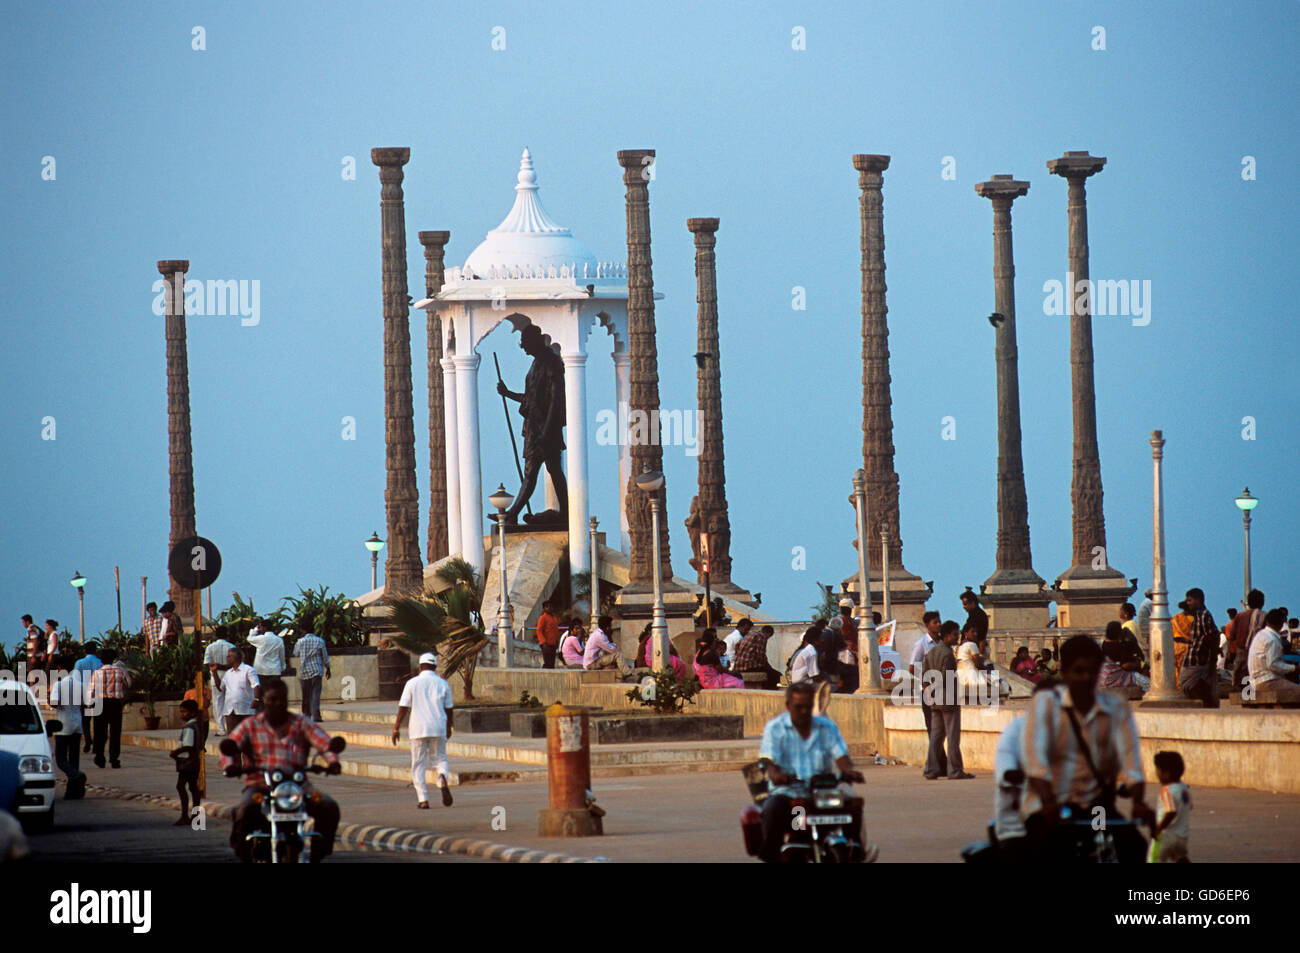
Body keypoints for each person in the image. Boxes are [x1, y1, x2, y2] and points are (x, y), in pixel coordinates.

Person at [1021, 635, 1153, 863]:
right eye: (1078, 671)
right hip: (1052, 807)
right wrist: (1048, 801)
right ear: (1064, 673)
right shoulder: (1046, 704)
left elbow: (1132, 760)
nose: (1086, 678)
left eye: (1092, 671)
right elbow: (1035, 762)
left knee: (1132, 849)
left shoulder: (1115, 707)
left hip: (1096, 809)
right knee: (1039, 852)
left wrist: (1139, 801)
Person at [756, 681, 877, 864]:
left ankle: (856, 849)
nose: (804, 711)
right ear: (789, 706)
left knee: (853, 804)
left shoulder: (826, 727)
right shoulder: (775, 728)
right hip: (791, 794)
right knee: (774, 810)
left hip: (823, 791)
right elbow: (769, 759)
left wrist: (848, 771)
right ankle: (773, 855)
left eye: (808, 707)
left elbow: (840, 754)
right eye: (799, 707)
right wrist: (776, 774)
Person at [221, 679, 341, 863]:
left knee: (329, 806)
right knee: (243, 810)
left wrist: (333, 762)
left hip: (298, 786)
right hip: (260, 785)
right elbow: (231, 746)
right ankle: (243, 850)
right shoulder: (251, 725)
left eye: (282, 700)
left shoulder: (301, 723)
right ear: (264, 701)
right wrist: (229, 765)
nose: (277, 704)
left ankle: (320, 851)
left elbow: (324, 743)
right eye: (272, 699)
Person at [495, 325, 567, 523]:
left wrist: (547, 432)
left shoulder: (552, 363)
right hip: (535, 428)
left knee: (533, 472)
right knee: (551, 470)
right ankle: (564, 514)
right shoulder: (536, 364)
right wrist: (508, 393)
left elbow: (556, 400)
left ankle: (512, 515)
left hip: (544, 430)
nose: (522, 348)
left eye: (525, 343)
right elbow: (531, 399)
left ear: (536, 341)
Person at [393, 653, 455, 808]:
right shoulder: (442, 683)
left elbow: (403, 707)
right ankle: (442, 778)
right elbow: (449, 709)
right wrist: (449, 726)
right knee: (440, 759)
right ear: (434, 667)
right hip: (439, 725)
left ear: (420, 667)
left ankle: (423, 799)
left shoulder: (412, 683)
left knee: (418, 763)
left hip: (418, 728)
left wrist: (396, 728)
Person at [923, 621, 971, 779]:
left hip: (934, 700)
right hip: (948, 699)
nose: (957, 637)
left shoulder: (932, 652)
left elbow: (924, 677)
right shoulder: (948, 654)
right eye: (955, 634)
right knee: (952, 736)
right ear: (948, 635)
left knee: (936, 738)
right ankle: (955, 770)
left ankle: (931, 769)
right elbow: (946, 678)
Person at [49, 654, 87, 800]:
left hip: (63, 725)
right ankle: (74, 791)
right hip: (77, 722)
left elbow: (54, 702)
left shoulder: (59, 685)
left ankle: (77, 776)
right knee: (74, 759)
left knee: (60, 760)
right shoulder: (80, 684)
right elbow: (86, 703)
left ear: (60, 668)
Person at [909, 612, 944, 769]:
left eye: (939, 622)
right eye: (935, 622)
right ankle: (933, 764)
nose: (938, 625)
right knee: (933, 728)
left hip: (942, 690)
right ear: (927, 625)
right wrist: (925, 684)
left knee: (940, 729)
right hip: (928, 691)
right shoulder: (922, 644)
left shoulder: (941, 643)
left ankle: (938, 763)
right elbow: (913, 667)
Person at [87, 648, 130, 768]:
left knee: (100, 732)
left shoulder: (97, 673)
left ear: (101, 660)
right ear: (113, 659)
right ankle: (114, 758)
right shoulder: (120, 671)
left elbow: (91, 690)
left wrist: (89, 703)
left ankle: (100, 757)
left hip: (100, 703)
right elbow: (129, 683)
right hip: (115, 703)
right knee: (115, 732)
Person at [1246, 608, 1300, 701]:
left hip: (1256, 680)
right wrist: (1294, 668)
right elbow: (1273, 665)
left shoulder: (1261, 635)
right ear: (1281, 623)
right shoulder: (1272, 640)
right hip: (1267, 681)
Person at [1178, 588, 1220, 708]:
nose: (1188, 603)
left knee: (1186, 684)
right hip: (1194, 657)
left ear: (1198, 600)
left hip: (1198, 658)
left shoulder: (1203, 615)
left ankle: (1206, 702)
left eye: (1190, 600)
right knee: (1190, 684)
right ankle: (1206, 703)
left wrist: (1212, 659)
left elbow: (1212, 636)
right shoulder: (1197, 615)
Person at [169, 698, 207, 825]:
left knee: (181, 786)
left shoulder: (190, 727)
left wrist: (175, 753)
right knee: (192, 788)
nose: (182, 715)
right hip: (192, 762)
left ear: (192, 713)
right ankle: (194, 815)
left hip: (188, 763)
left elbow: (188, 746)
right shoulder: (195, 725)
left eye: (184, 712)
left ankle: (185, 815)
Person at [1149, 750, 1191, 863]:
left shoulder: (1167, 791)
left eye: (1158, 770)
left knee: (1154, 859)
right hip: (1182, 836)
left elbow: (1171, 811)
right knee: (1181, 858)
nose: (1156, 774)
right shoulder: (1185, 789)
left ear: (1166, 773)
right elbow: (1189, 806)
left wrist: (1158, 828)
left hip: (1166, 835)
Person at [1227, 589, 1266, 690]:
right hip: (1258, 652)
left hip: (1241, 652)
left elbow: (1231, 637)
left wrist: (1230, 654)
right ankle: (1250, 699)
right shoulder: (1264, 616)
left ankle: (1245, 698)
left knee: (1243, 679)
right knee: (1255, 679)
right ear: (1262, 602)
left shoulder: (1240, 616)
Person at [292, 625, 330, 722]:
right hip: (317, 670)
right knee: (316, 694)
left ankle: (306, 715)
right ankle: (316, 716)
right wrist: (328, 668)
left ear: (303, 630)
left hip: (304, 671)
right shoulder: (320, 641)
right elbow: (325, 656)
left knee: (306, 695)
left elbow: (295, 653)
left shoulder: (300, 641)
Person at [204, 626, 236, 734]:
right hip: (230, 676)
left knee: (218, 703)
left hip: (215, 676)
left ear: (215, 635)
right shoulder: (232, 647)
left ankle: (221, 728)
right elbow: (235, 663)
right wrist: (223, 666)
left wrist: (217, 667)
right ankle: (231, 727)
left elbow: (208, 663)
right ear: (226, 634)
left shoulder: (210, 647)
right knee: (230, 701)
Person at [220, 647, 261, 732]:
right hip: (230, 709)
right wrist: (214, 672)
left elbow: (256, 685)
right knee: (232, 736)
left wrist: (256, 699)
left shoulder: (248, 670)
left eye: (229, 656)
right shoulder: (228, 673)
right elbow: (220, 688)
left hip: (245, 708)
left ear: (236, 657)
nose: (227, 659)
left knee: (247, 736)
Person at [1100, 623, 1150, 691]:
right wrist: (1137, 665)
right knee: (1149, 684)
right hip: (1116, 677)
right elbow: (1125, 665)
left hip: (1104, 677)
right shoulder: (1119, 646)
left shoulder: (1103, 644)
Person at [74, 643, 102, 754]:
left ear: (85, 650)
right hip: (98, 694)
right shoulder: (100, 662)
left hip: (84, 695)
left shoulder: (79, 663)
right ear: (95, 650)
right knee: (97, 721)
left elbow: (76, 680)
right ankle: (96, 744)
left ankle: (88, 740)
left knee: (85, 721)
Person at [734, 624, 781, 690]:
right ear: (769, 633)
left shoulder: (750, 634)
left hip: (738, 666)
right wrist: (769, 667)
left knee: (769, 672)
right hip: (749, 667)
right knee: (776, 675)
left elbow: (736, 646)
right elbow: (760, 655)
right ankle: (767, 693)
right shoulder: (762, 636)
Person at [955, 623, 986, 704]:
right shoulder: (972, 645)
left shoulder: (961, 646)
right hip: (971, 675)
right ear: (966, 633)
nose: (975, 634)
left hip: (961, 675)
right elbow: (977, 664)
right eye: (972, 632)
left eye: (976, 632)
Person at [1170, 601, 1193, 687]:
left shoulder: (1175, 618)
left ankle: (1179, 687)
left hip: (1176, 647)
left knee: (1178, 671)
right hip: (1190, 648)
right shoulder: (1193, 619)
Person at [1117, 603, 1146, 670]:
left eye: (1121, 610)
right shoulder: (1131, 624)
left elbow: (1131, 643)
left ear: (1125, 613)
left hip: (1133, 659)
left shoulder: (1129, 625)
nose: (1119, 612)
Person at [535, 600, 561, 669]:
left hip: (553, 644)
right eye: (547, 607)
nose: (549, 608)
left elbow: (556, 630)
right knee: (547, 663)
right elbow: (539, 631)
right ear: (544, 608)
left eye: (550, 606)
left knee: (552, 663)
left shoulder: (554, 618)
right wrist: (543, 642)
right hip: (546, 644)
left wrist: (557, 641)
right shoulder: (543, 618)